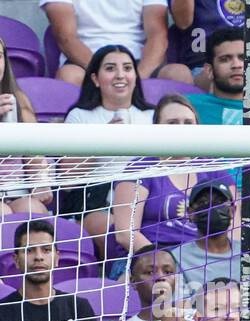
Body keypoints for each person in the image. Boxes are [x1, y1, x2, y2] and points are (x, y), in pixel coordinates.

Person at [58, 45, 156, 252]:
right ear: (95, 78)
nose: (120, 75)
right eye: (110, 68)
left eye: (128, 68)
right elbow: (67, 179)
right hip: (95, 202)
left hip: (146, 196)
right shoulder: (80, 116)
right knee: (112, 228)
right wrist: (102, 140)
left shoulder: (152, 116)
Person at [109, 96, 223, 258]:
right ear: (157, 128)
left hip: (206, 261)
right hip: (147, 261)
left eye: (188, 123)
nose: (181, 128)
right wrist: (171, 263)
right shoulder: (139, 168)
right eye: (172, 123)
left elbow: (234, 228)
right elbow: (125, 234)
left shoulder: (214, 169)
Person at [41, 0, 189, 86]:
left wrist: (138, 77)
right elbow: (66, 38)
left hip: (137, 61)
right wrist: (103, 71)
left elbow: (157, 36)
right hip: (86, 61)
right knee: (69, 76)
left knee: (179, 74)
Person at [0, 35, 52, 218]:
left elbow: (33, 150)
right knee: (2, 212)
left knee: (33, 210)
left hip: (16, 192)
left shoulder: (18, 99)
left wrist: (41, 180)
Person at [173, 179, 241, 291]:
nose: (212, 208)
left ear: (233, 210)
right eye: (203, 203)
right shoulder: (177, 258)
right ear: (190, 213)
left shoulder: (248, 254)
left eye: (219, 202)